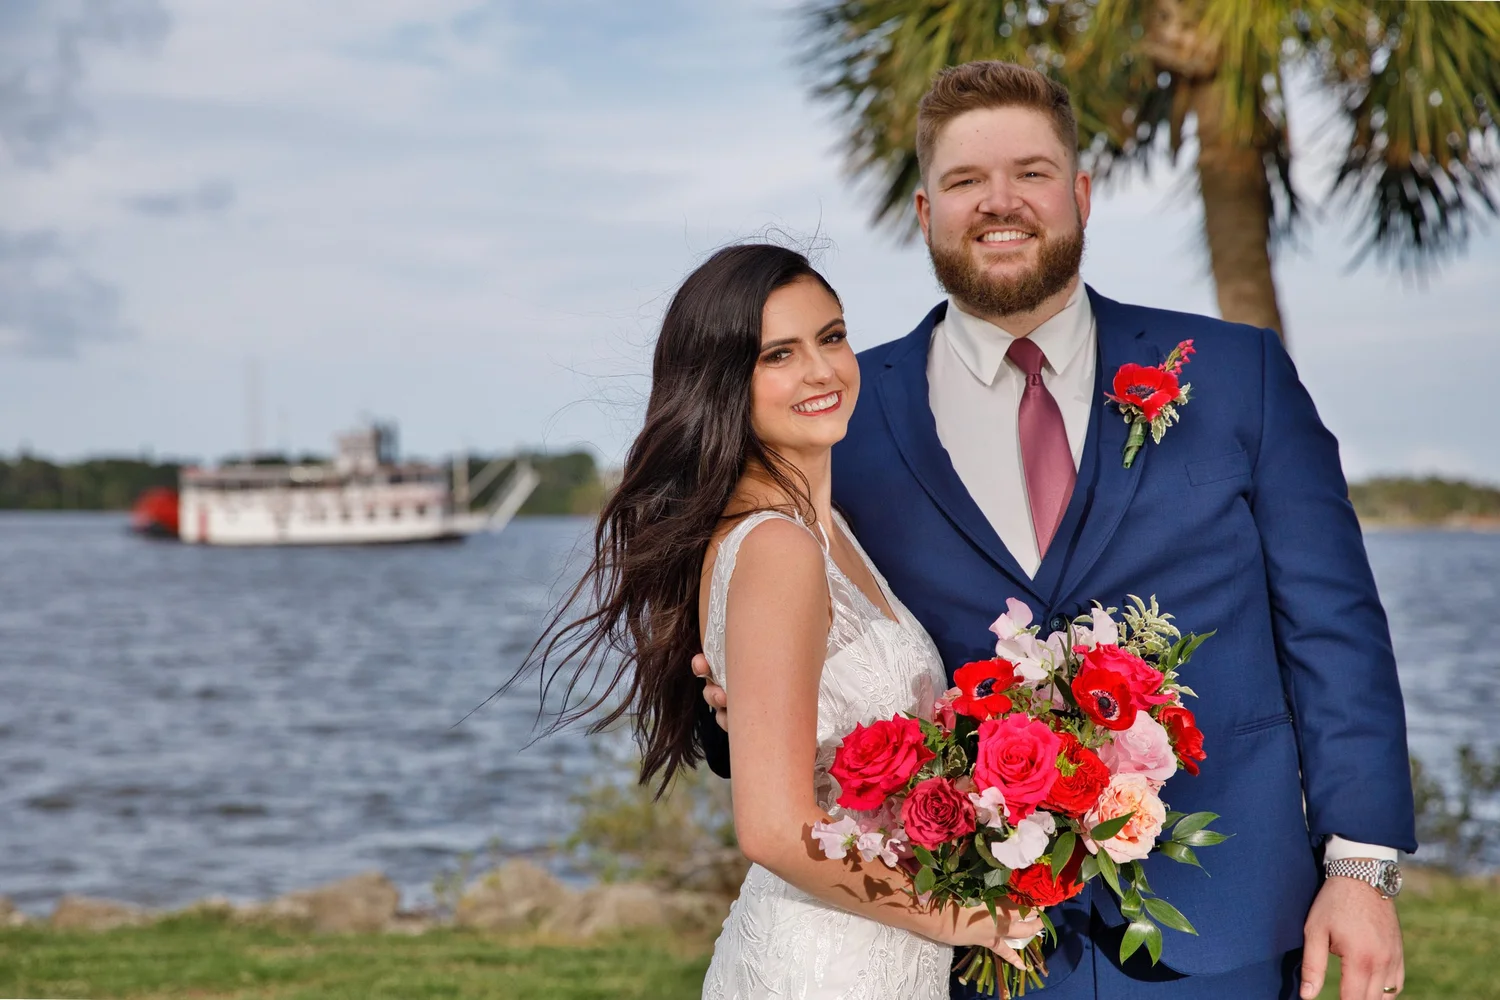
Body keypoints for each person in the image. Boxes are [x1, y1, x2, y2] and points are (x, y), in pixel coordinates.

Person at [694, 61, 1417, 1000]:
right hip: (964, 949)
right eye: (963, 181)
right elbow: (776, 620)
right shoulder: (842, 415)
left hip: (1227, 925)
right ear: (924, 213)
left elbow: (1336, 628)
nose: (1000, 202)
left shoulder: (1239, 376)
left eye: (1031, 172)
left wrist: (1362, 869)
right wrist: (732, 715)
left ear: (1079, 193)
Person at [521, 242, 1045, 999]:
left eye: (832, 337)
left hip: (875, 955)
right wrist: (958, 917)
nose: (822, 370)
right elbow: (771, 826)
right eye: (780, 354)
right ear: (724, 382)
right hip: (824, 966)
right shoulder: (777, 545)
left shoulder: (824, 527)